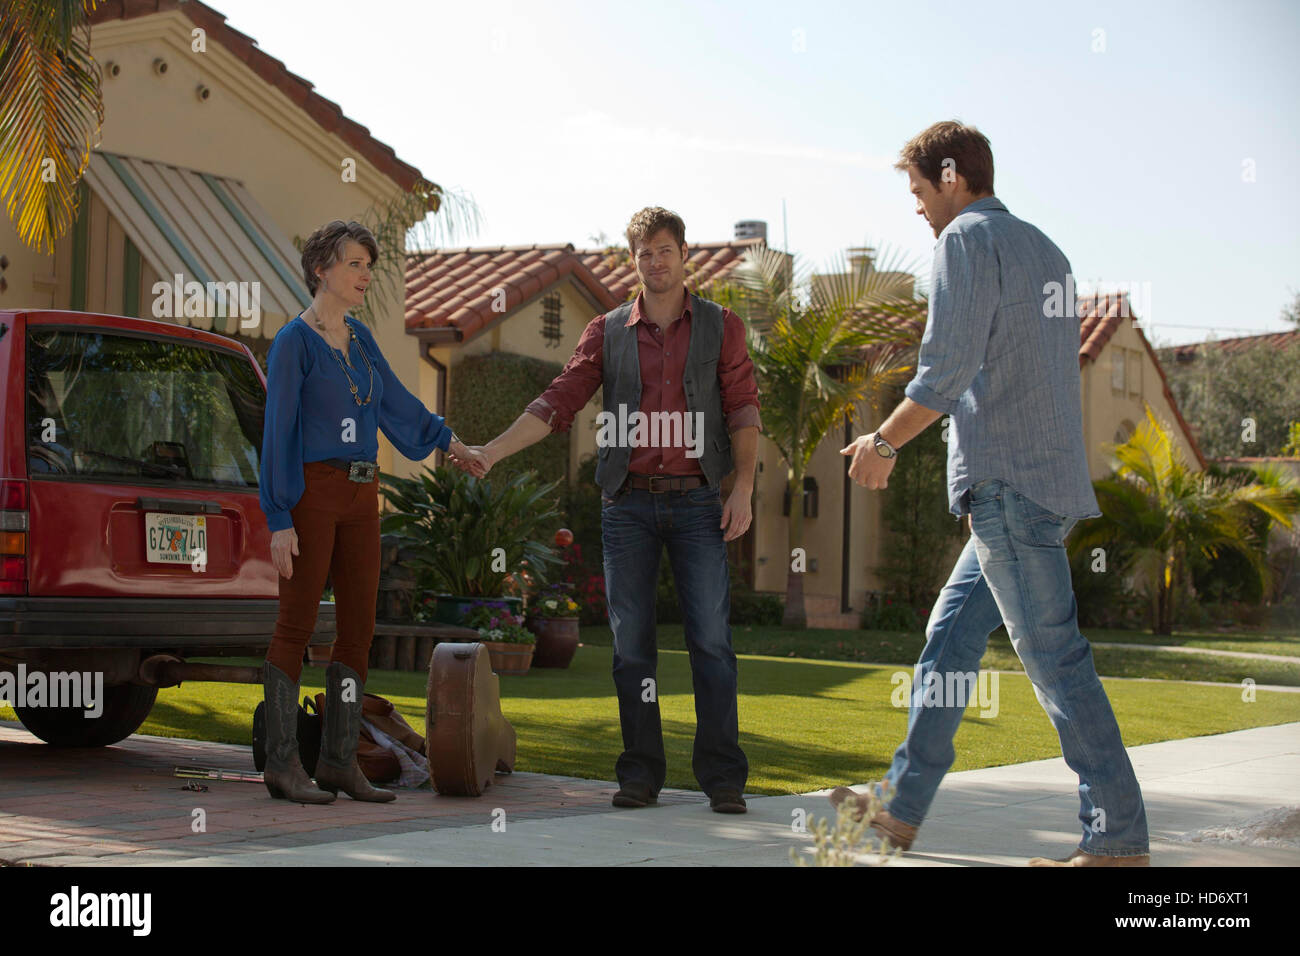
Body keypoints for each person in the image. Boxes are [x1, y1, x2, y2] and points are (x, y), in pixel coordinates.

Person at [830, 122, 1150, 866]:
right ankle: (898, 811)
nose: (916, 208)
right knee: (948, 644)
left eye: (917, 191)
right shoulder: (1049, 251)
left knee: (1056, 661)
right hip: (1042, 484)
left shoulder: (965, 243)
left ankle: (1118, 837)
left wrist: (882, 442)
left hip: (1005, 488)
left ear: (950, 176)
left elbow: (947, 368)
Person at [469, 207, 761, 813]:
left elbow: (743, 411)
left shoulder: (720, 327)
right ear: (634, 261)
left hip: (699, 501)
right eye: (643, 253)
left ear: (684, 256)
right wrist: (491, 451)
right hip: (625, 505)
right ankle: (640, 774)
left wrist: (743, 487)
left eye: (664, 250)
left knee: (711, 641)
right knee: (632, 647)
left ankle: (723, 778)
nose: (654, 262)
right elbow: (560, 400)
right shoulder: (605, 331)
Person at [258, 219, 485, 804]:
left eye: (367, 265)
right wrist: (278, 518)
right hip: (311, 493)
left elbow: (399, 405)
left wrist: (450, 443)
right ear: (321, 270)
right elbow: (277, 432)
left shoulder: (359, 340)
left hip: (364, 495)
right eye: (354, 264)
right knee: (296, 626)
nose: (364, 275)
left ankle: (338, 761)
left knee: (359, 630)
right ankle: (283, 766)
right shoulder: (293, 342)